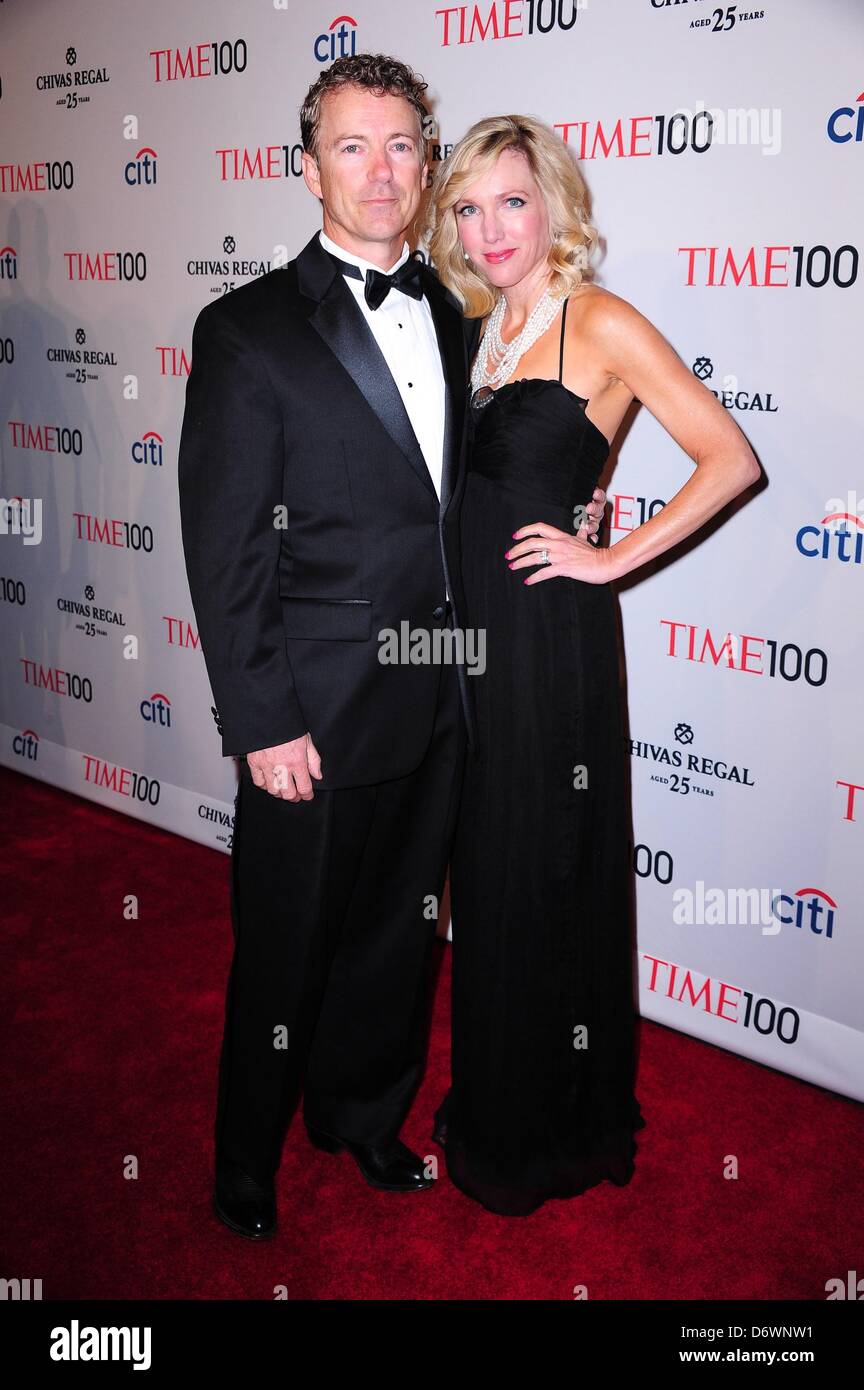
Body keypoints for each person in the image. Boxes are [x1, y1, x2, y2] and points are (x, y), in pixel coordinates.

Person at [178, 62, 606, 1238]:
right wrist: (260, 718)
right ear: (306, 166)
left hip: (441, 701)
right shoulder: (246, 329)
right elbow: (223, 551)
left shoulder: (459, 314)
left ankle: (362, 1116)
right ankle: (246, 1159)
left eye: (405, 145)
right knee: (283, 951)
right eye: (352, 146)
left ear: (427, 163)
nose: (382, 170)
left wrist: (588, 529)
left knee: (396, 942)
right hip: (308, 714)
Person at [424, 114, 761, 1217]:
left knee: (542, 865)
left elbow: (730, 457)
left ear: (554, 202)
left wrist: (612, 555)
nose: (490, 228)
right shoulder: (478, 325)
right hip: (472, 639)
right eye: (468, 208)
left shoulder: (600, 320)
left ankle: (548, 1126)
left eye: (511, 201)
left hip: (548, 643)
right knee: (487, 868)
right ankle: (494, 1094)